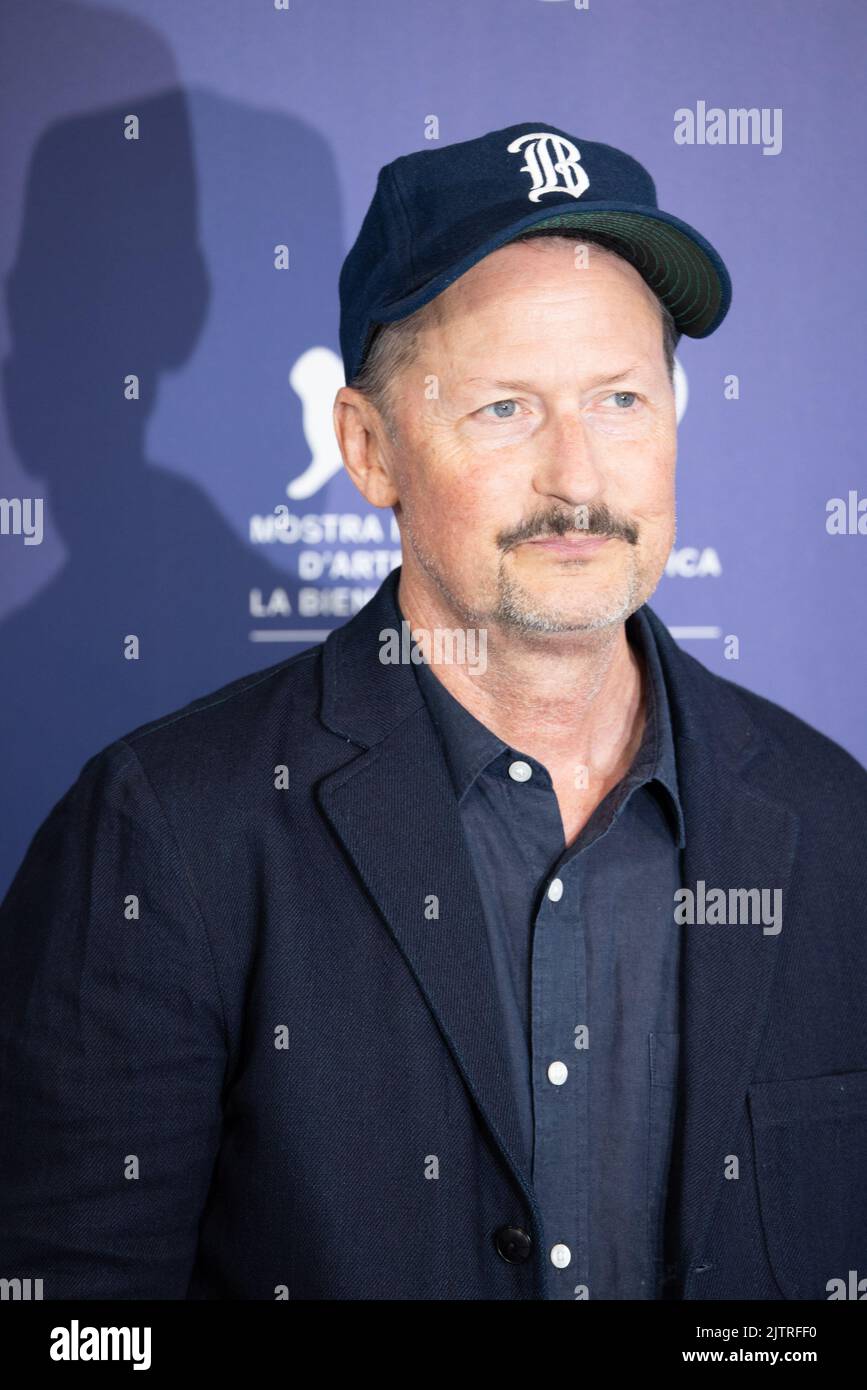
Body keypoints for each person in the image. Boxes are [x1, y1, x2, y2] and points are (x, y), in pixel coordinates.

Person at [1, 122, 866, 1301]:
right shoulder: (169, 830)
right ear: (369, 447)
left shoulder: (836, 823)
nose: (578, 479)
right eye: (506, 408)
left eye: (619, 398)